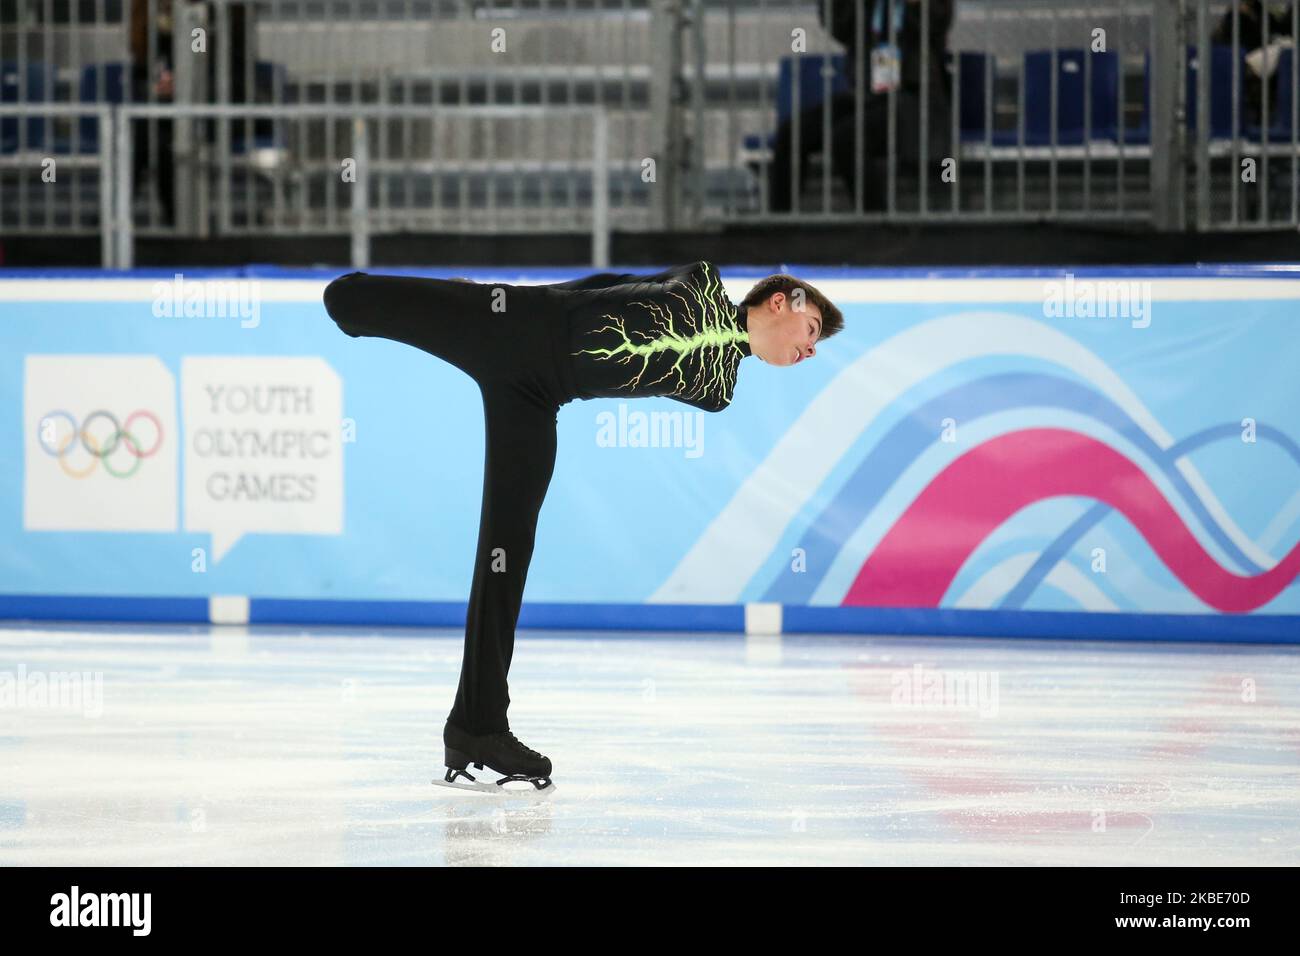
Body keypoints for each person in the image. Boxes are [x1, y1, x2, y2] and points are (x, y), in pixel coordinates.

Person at [322, 262, 843, 791]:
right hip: (511, 321)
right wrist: (511, 299)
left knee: (507, 554)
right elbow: (607, 283)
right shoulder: (700, 282)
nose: (811, 349)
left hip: (535, 398)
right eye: (812, 330)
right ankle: (436, 297)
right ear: (782, 302)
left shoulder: (716, 387)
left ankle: (477, 725)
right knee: (346, 299)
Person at [769, 0, 955, 212]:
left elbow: (936, 23)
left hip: (914, 98)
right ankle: (778, 226)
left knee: (847, 139)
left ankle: (877, 222)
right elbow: (839, 26)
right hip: (866, 95)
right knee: (791, 134)